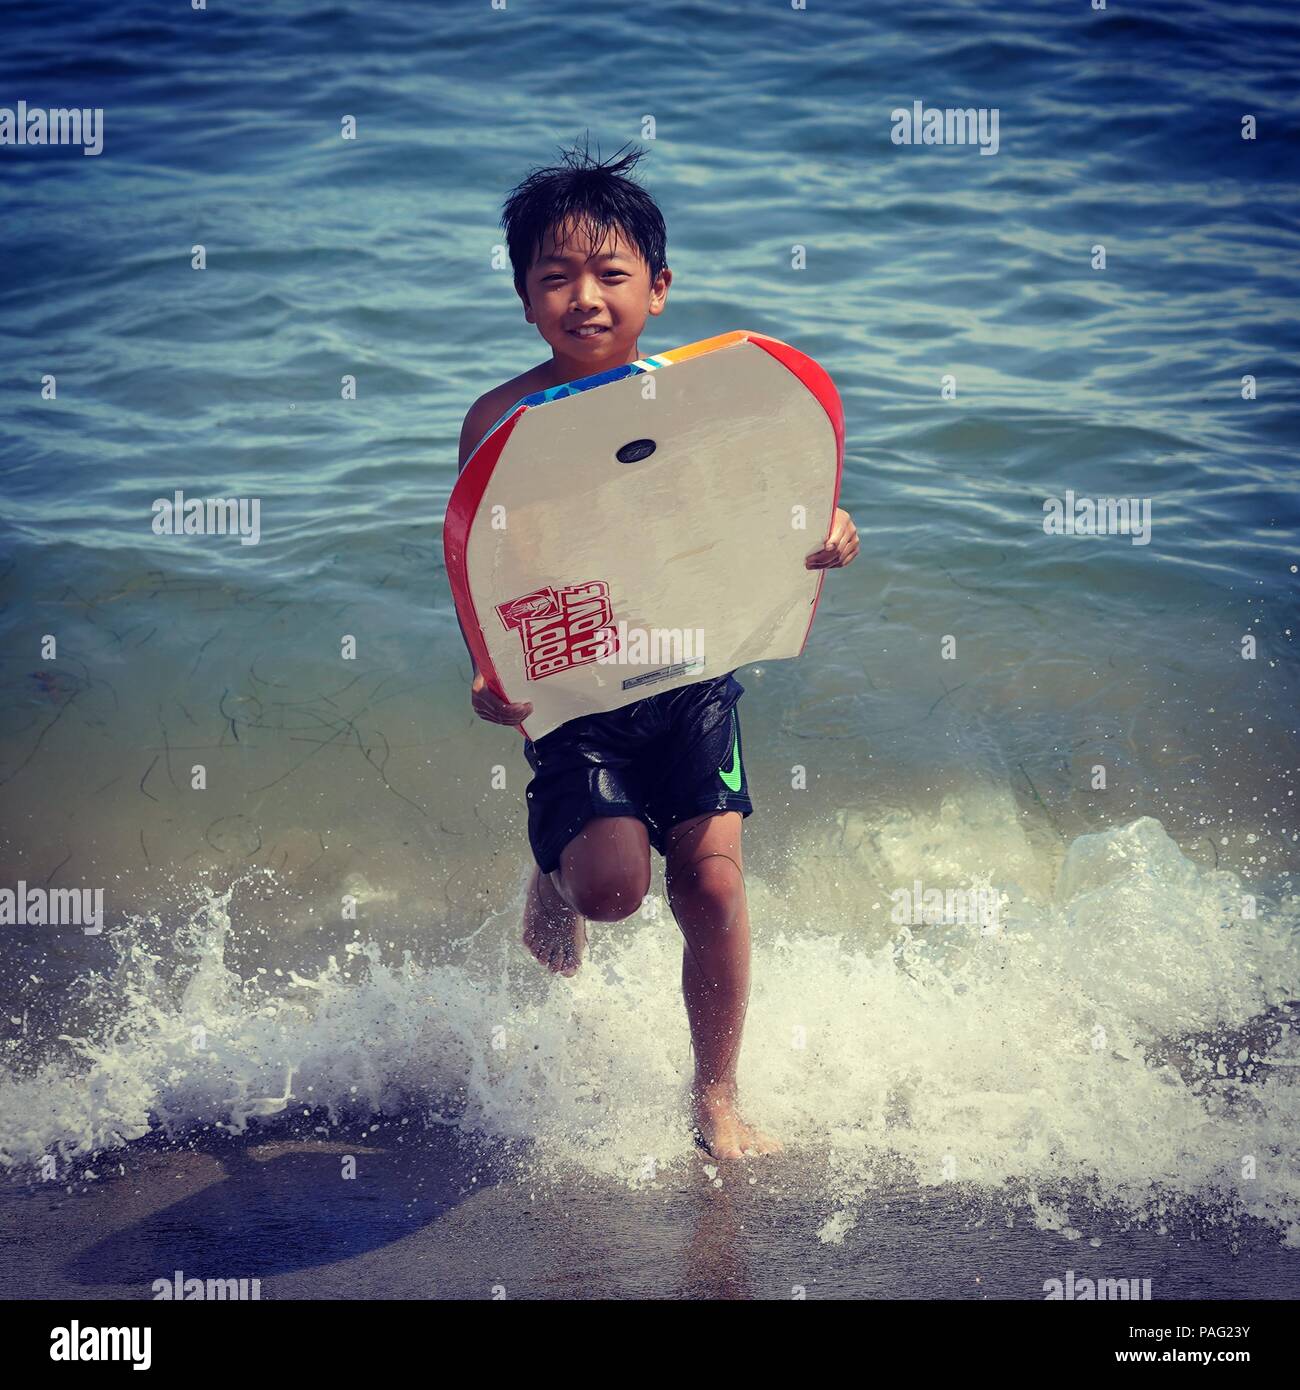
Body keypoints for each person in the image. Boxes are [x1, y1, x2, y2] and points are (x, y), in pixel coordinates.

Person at [454, 143, 859, 1158]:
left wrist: (830, 529)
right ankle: (553, 878)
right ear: (524, 299)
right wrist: (488, 668)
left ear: (660, 289)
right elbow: (480, 561)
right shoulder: (500, 419)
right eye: (555, 278)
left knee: (711, 886)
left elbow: (772, 501)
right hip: (577, 689)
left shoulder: (706, 402)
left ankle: (715, 1096)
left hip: (696, 673)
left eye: (610, 275)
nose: (583, 298)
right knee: (612, 892)